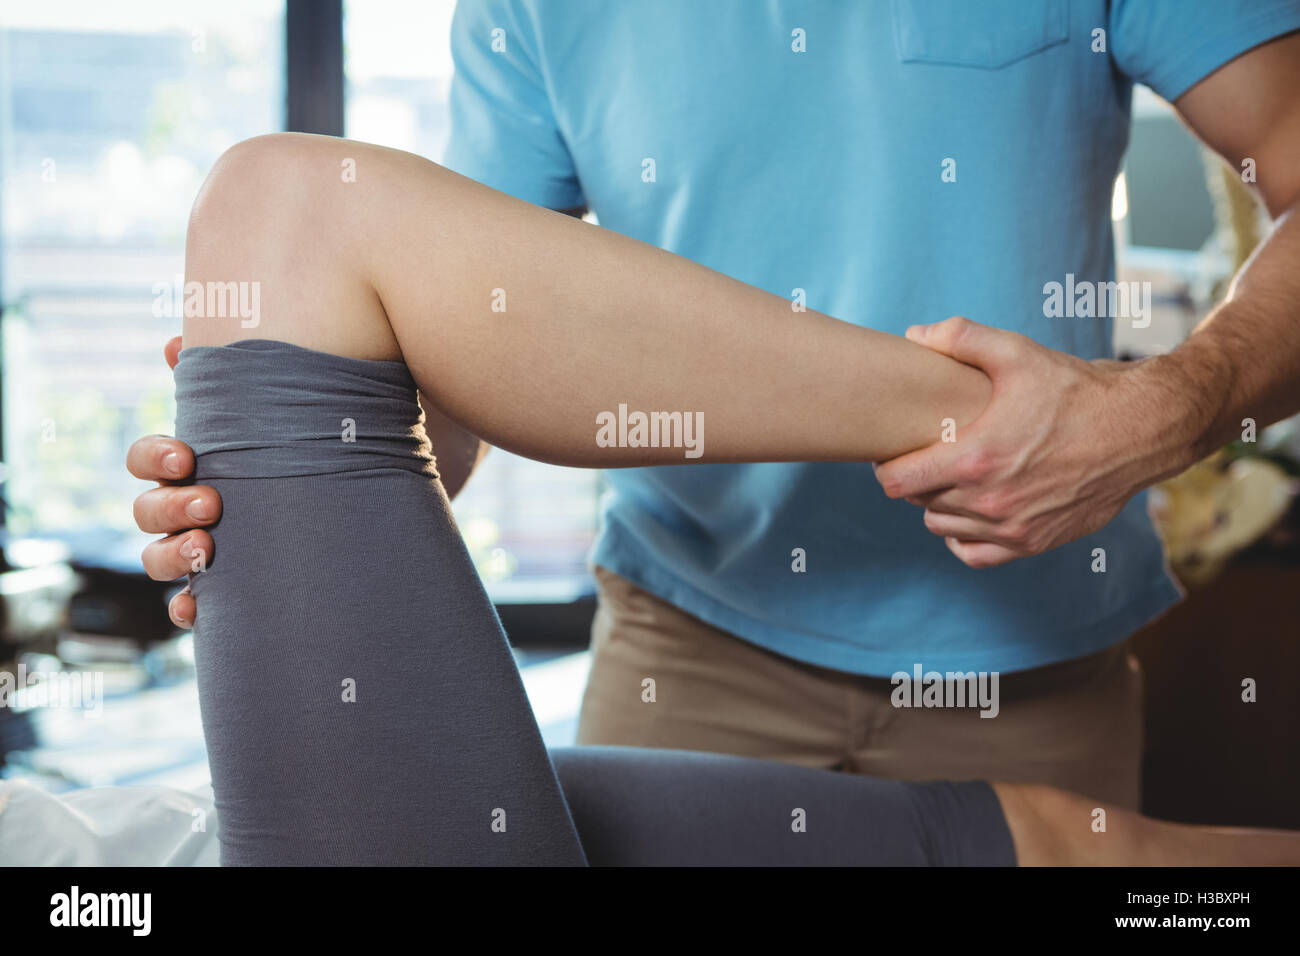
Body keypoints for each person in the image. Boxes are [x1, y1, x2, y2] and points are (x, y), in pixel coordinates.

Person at [134, 3, 1300, 810]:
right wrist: (285, 483)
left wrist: (1163, 411)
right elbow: (457, 352)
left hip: (1029, 654)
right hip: (687, 644)